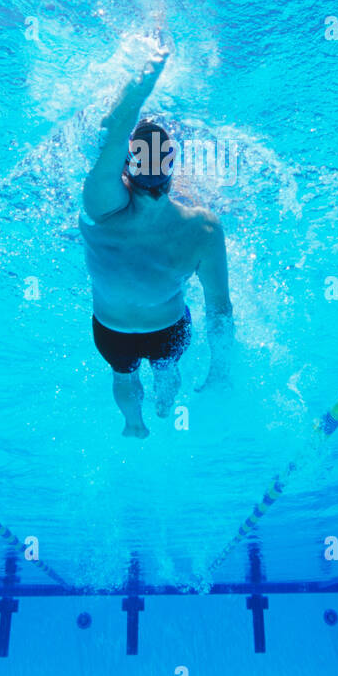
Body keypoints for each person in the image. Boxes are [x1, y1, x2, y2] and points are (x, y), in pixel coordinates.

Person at [80, 45, 233, 437]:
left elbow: (113, 133)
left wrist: (147, 73)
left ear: (126, 167)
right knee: (167, 368)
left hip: (111, 330)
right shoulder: (202, 230)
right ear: (171, 172)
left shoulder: (102, 206)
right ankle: (165, 407)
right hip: (168, 330)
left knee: (122, 377)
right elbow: (220, 310)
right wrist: (219, 370)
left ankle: (134, 424)